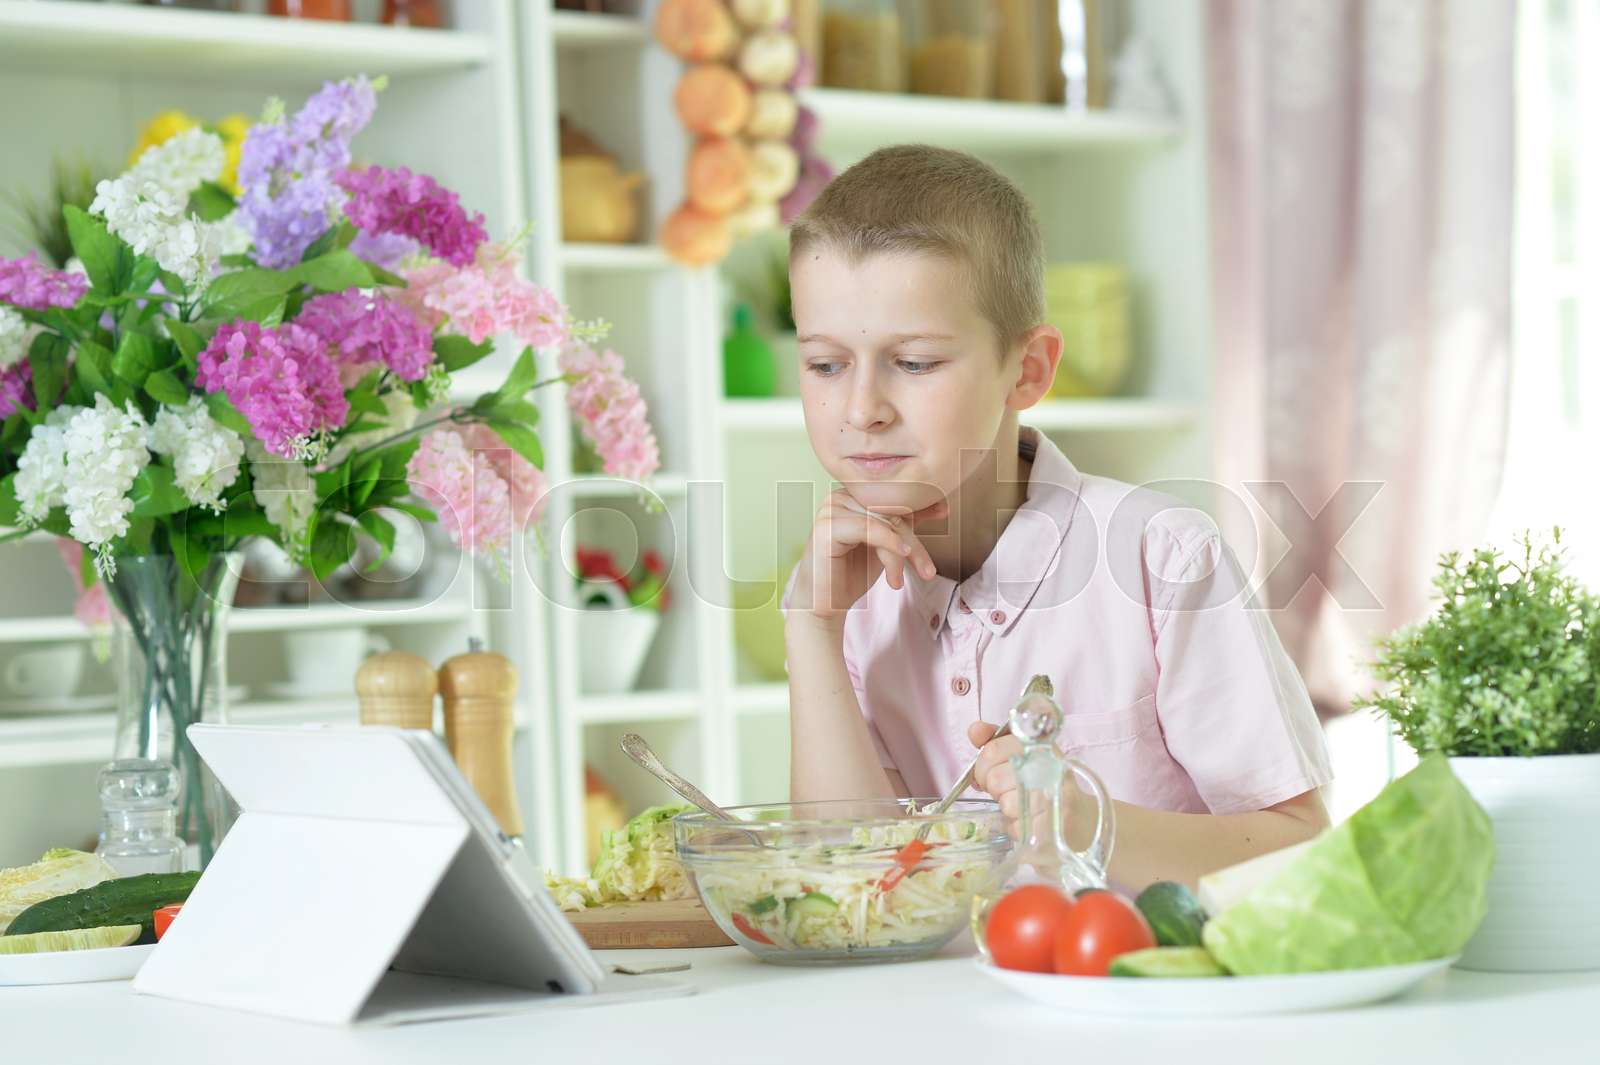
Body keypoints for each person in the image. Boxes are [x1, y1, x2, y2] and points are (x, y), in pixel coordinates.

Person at [779, 145, 1332, 892]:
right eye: (825, 364)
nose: (861, 409)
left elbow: (1300, 852)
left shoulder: (1160, 558)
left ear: (1028, 370)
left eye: (913, 362)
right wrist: (811, 630)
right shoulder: (851, 603)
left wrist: (1085, 822)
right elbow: (848, 890)